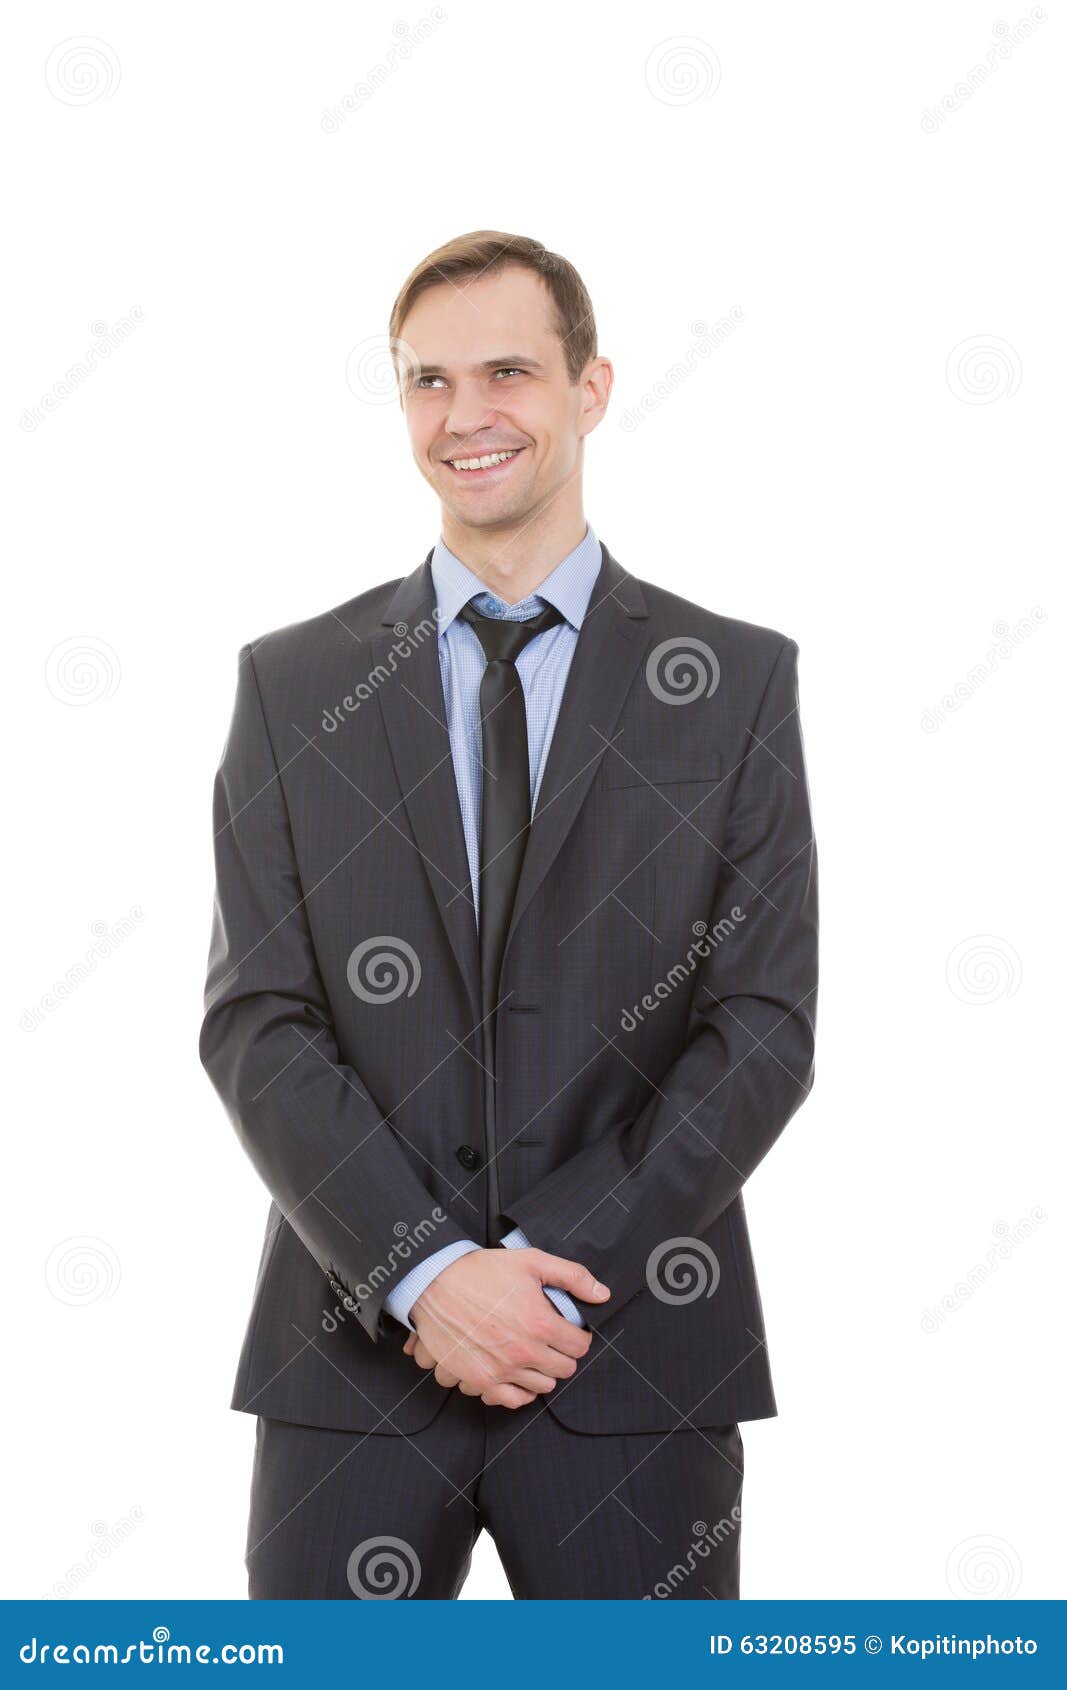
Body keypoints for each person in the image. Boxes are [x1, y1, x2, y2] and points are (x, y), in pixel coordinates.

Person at [199, 229, 818, 1599]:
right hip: (353, 1369)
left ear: (591, 388)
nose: (463, 414)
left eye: (506, 373)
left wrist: (544, 1269)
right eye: (427, 380)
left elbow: (763, 1028)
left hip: (631, 1357)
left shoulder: (730, 681)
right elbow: (258, 1022)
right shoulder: (293, 686)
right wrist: (424, 1271)